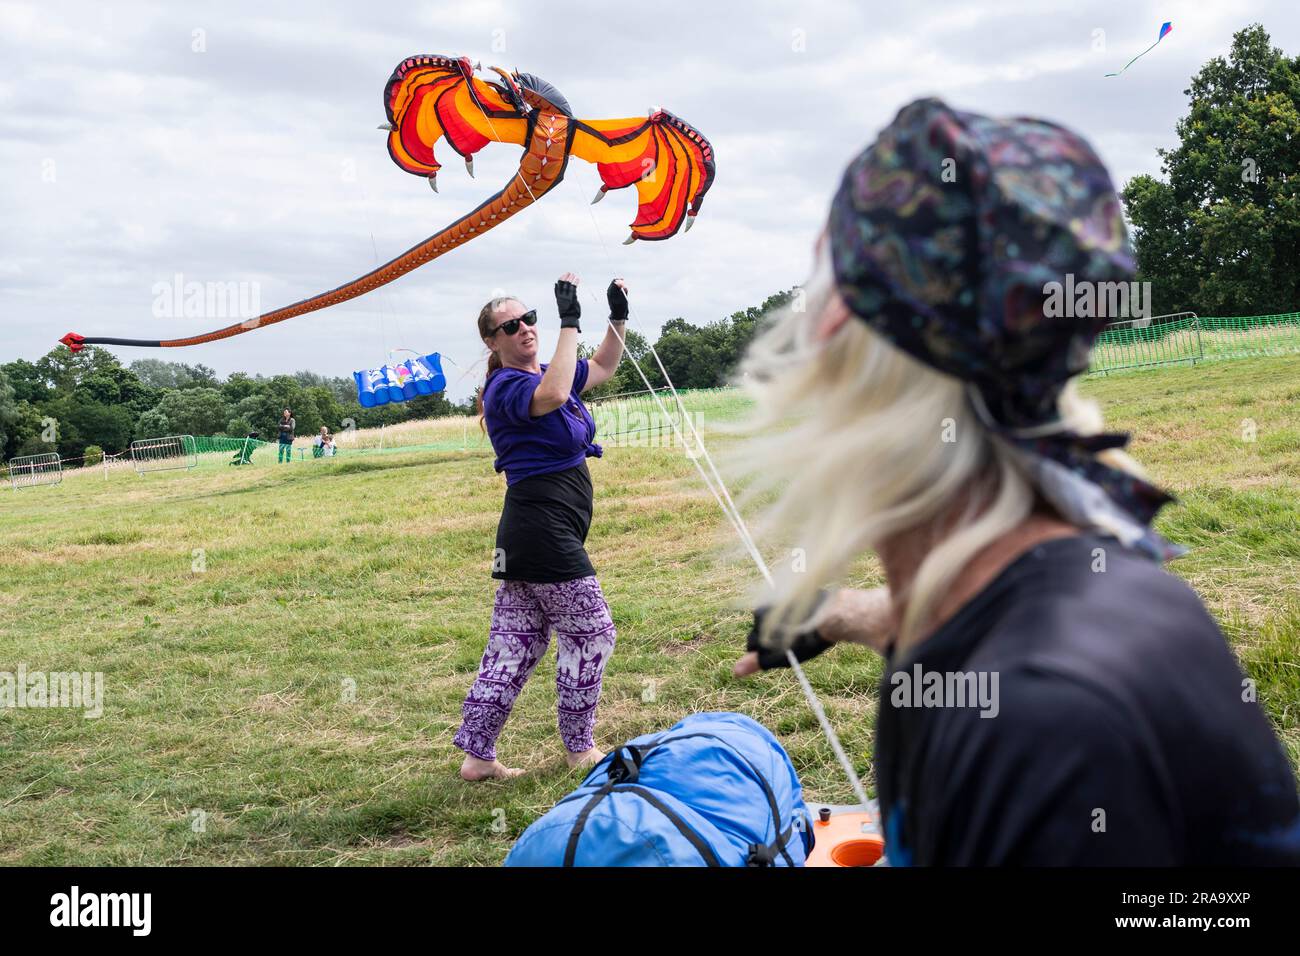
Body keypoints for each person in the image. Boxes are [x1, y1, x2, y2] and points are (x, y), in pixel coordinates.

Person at [732, 99, 1300, 865]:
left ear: (844, 333)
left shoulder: (1046, 730)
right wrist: (831, 614)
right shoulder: (1048, 589)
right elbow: (965, 627)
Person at [453, 272, 630, 781]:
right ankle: (579, 747)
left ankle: (477, 757)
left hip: (532, 533)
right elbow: (552, 396)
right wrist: (569, 321)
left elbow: (601, 365)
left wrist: (616, 316)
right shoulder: (507, 386)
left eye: (529, 318)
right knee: (593, 633)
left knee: (517, 642)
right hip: (541, 528)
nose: (525, 329)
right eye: (510, 326)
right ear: (492, 341)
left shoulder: (548, 371)